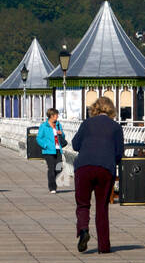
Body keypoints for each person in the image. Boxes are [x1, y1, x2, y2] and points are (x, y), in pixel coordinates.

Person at [71, 96, 123, 254]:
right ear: (111, 109)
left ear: (95, 108)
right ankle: (104, 246)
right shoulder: (116, 127)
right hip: (105, 169)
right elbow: (119, 153)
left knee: (83, 204)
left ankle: (83, 230)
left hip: (84, 166)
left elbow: (75, 144)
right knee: (102, 207)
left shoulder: (86, 124)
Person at [36, 107, 66, 193]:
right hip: (48, 150)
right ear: (51, 116)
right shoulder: (44, 126)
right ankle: (52, 187)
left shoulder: (58, 124)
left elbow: (63, 136)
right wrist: (45, 145)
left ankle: (52, 180)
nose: (57, 116)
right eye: (56, 115)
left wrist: (61, 133)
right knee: (51, 168)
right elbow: (39, 138)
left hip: (58, 149)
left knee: (59, 168)